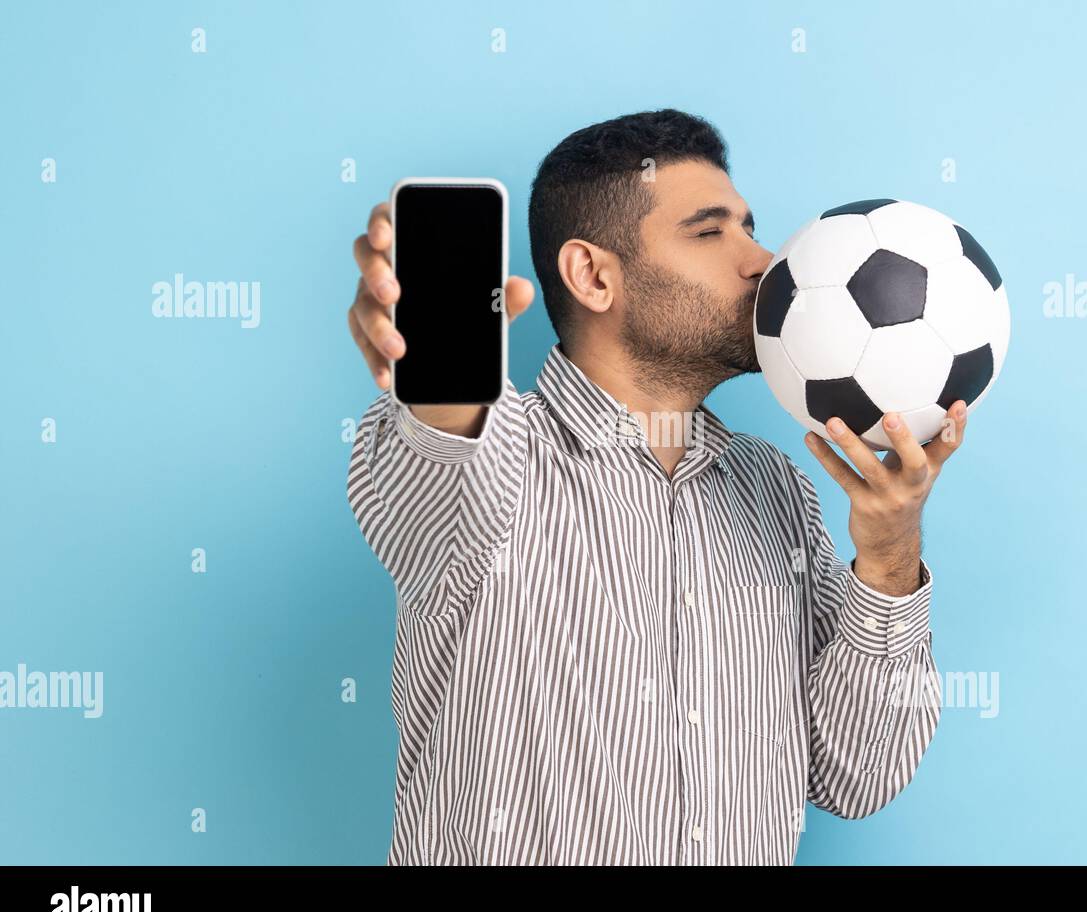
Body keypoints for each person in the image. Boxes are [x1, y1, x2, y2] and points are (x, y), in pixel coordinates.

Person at [345, 108, 964, 865]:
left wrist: (890, 556)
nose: (762, 260)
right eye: (710, 233)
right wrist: (428, 345)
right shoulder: (499, 459)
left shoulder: (775, 491)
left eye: (748, 227)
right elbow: (445, 445)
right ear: (594, 276)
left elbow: (857, 775)